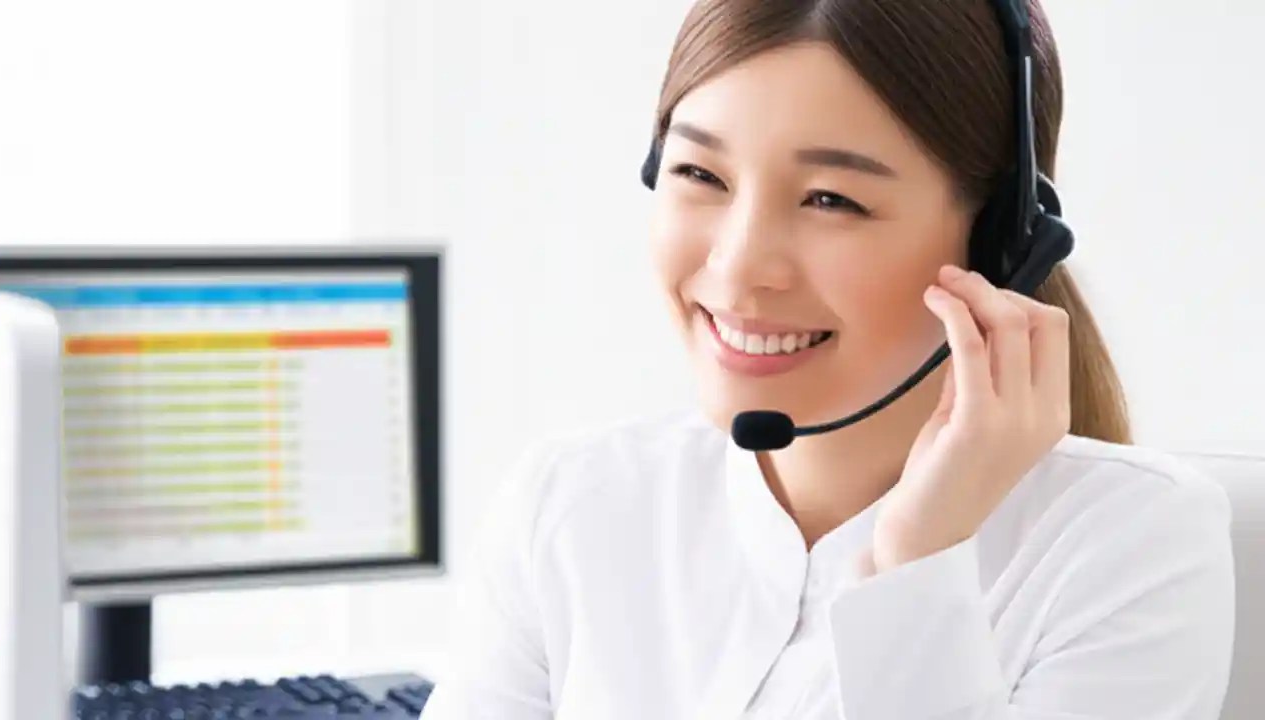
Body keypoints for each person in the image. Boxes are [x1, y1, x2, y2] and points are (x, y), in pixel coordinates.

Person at [421, 0, 1236, 717]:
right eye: (699, 173)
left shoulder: (1129, 544)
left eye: (830, 199)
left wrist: (918, 562)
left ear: (999, 243)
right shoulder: (570, 506)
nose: (739, 268)